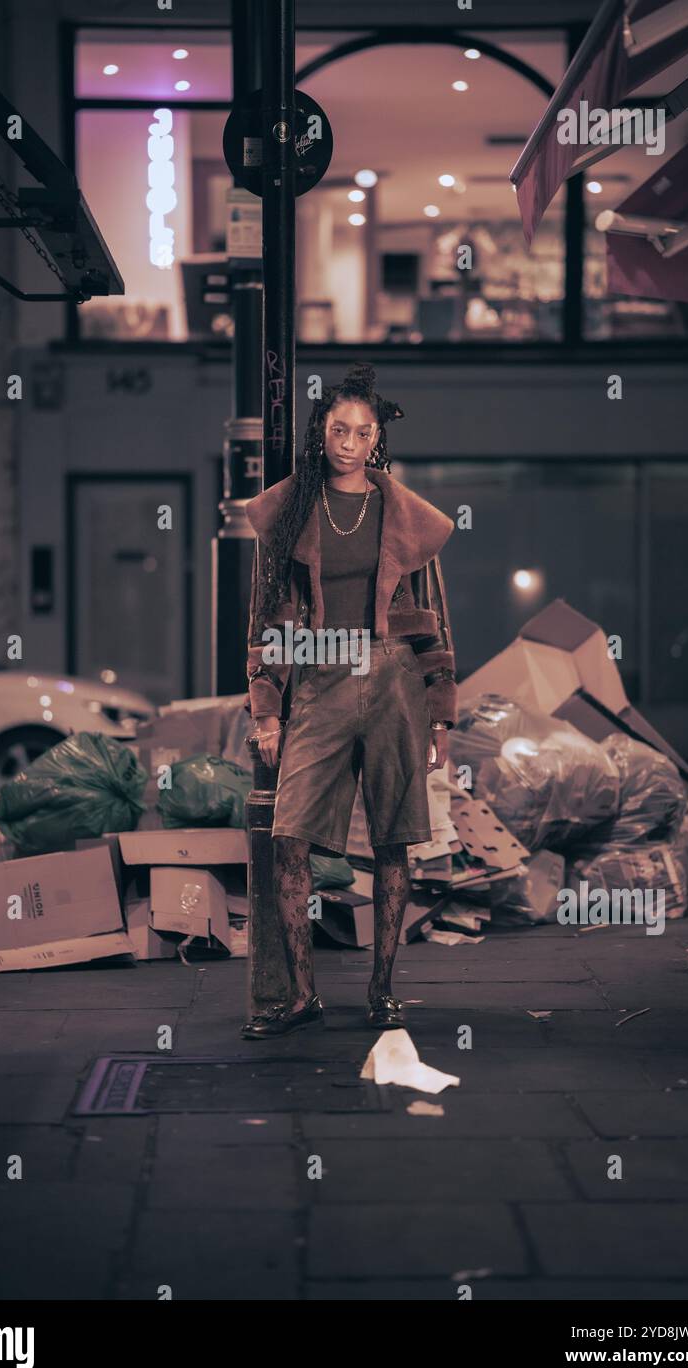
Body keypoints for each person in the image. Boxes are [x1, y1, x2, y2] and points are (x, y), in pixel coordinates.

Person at [240, 362, 456, 1038]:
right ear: (321, 433)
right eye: (339, 428)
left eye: (362, 432)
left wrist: (440, 709)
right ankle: (301, 996)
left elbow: (433, 617)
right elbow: (265, 622)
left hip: (393, 677)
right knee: (290, 837)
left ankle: (383, 989)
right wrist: (266, 709)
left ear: (374, 442)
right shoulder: (288, 510)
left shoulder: (405, 514)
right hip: (318, 673)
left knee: (394, 840)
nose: (350, 441)